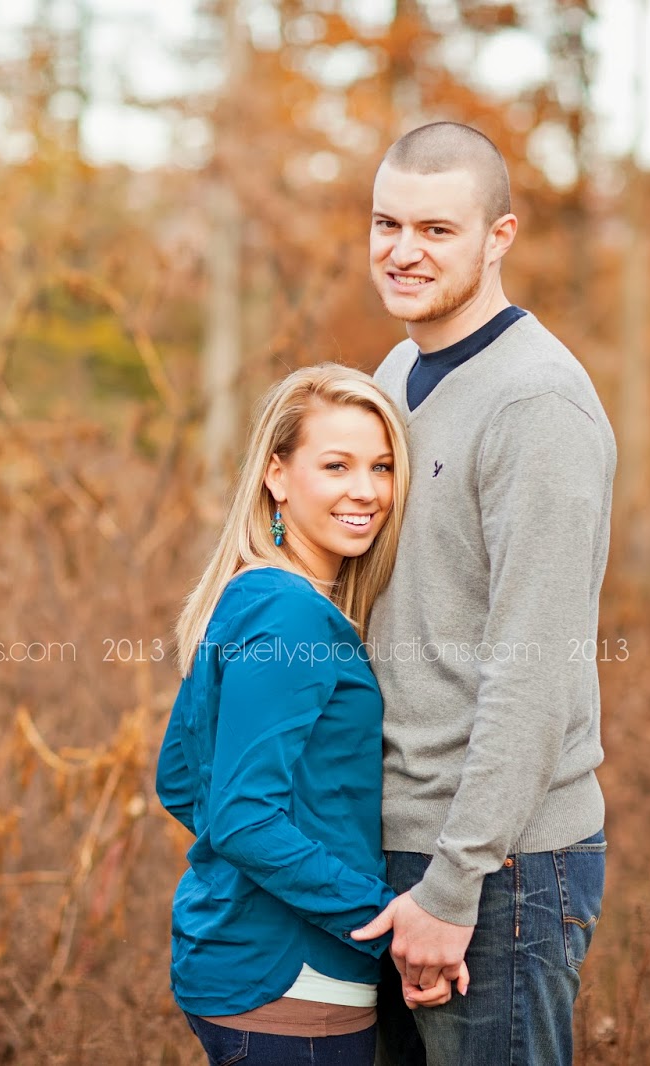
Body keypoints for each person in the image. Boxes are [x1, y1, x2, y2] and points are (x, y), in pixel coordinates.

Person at [346, 121, 616, 1066]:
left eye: (436, 229)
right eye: (387, 223)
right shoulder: (395, 374)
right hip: (397, 847)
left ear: (500, 236)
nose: (403, 251)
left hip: (499, 869)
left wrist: (454, 885)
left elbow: (533, 672)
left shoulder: (536, 405)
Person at [156, 364, 452, 1066]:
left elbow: (181, 779)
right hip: (291, 980)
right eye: (336, 465)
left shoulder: (252, 594)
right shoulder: (291, 615)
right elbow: (242, 816)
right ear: (277, 475)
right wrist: (388, 924)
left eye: (382, 466)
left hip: (247, 963)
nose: (367, 490)